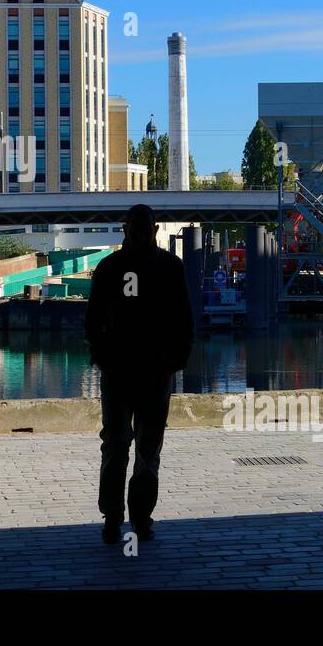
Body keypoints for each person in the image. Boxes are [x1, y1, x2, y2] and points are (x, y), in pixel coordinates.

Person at [85, 204, 194, 544]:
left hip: (127, 371)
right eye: (140, 227)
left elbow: (93, 321)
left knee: (119, 445)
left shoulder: (110, 267)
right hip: (147, 372)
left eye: (140, 227)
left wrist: (102, 356)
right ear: (155, 229)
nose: (140, 232)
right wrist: (176, 360)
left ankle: (117, 517)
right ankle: (135, 518)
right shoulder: (169, 267)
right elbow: (183, 320)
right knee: (143, 448)